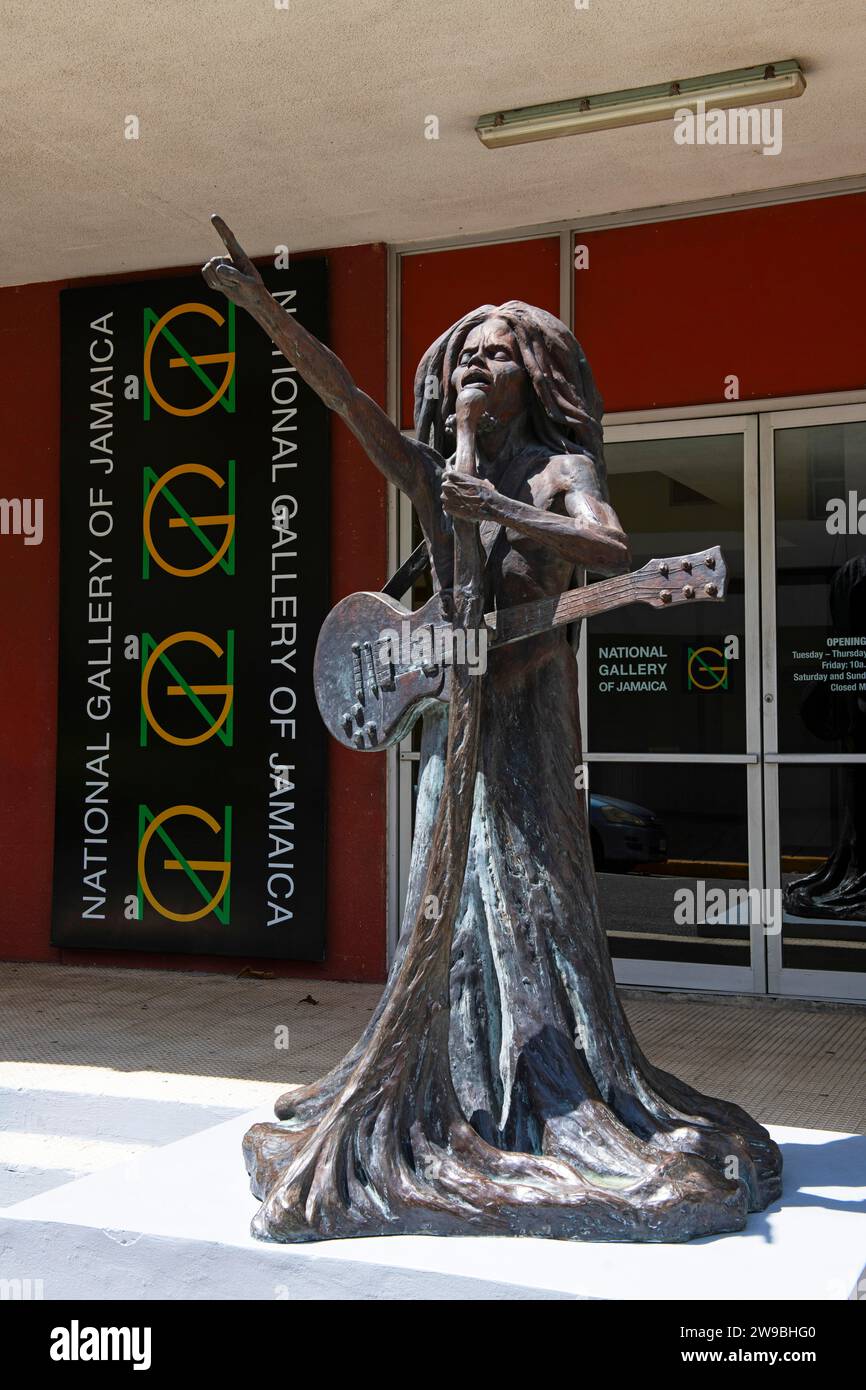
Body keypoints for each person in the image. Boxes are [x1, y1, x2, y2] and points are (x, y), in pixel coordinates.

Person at [203, 220, 781, 1241]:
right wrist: (266, 314)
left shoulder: (555, 469)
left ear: (536, 369)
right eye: (463, 352)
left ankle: (551, 1097)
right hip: (451, 731)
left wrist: (502, 511)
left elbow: (608, 544)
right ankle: (444, 1089)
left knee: (527, 903)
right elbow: (351, 405)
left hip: (522, 724)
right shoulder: (439, 466)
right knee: (455, 912)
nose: (477, 362)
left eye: (498, 350)